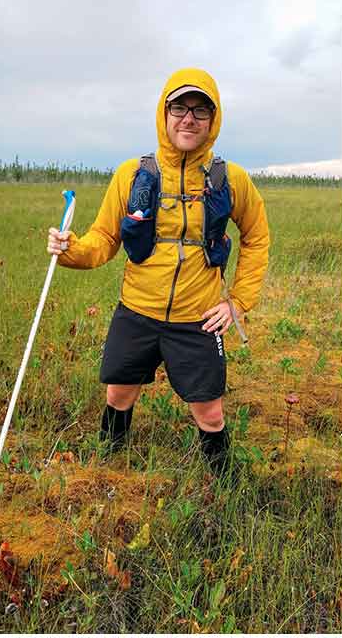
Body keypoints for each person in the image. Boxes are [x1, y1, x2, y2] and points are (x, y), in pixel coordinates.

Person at [46, 68, 270, 473]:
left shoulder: (230, 179)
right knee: (118, 394)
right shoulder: (132, 174)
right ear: (164, 114)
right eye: (180, 108)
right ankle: (108, 464)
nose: (189, 118)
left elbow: (257, 238)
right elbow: (103, 239)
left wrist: (237, 302)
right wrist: (69, 249)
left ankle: (224, 485)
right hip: (137, 310)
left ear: (213, 120)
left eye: (201, 110)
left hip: (197, 318)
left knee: (210, 412)